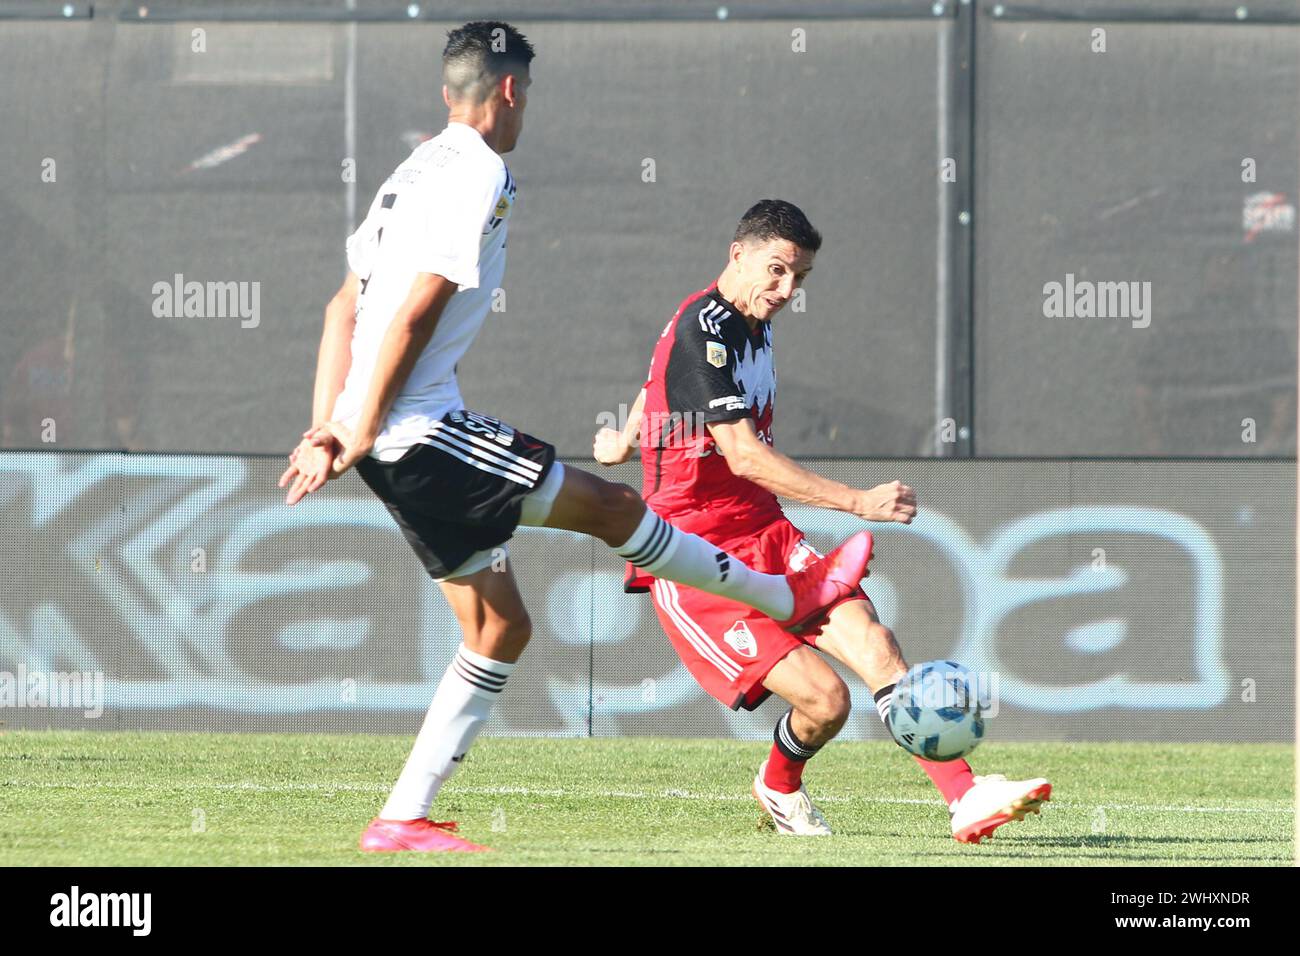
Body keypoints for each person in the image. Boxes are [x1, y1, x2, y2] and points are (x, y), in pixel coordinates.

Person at [277, 25, 872, 853]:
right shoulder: (479, 171)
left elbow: (343, 308)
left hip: (382, 437)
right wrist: (361, 424)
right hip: (420, 430)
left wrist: (332, 426)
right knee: (613, 505)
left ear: (449, 91)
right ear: (511, 92)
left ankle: (401, 819)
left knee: (499, 628)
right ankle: (784, 599)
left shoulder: (403, 176)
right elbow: (413, 310)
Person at [594, 199, 1051, 841]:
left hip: (764, 531)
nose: (785, 291)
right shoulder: (704, 329)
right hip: (689, 550)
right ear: (738, 254)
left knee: (876, 645)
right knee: (825, 702)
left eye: (799, 279)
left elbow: (660, 377)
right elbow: (745, 455)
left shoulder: (745, 321)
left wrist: (625, 435)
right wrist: (859, 502)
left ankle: (966, 795)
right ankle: (778, 786)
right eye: (776, 271)